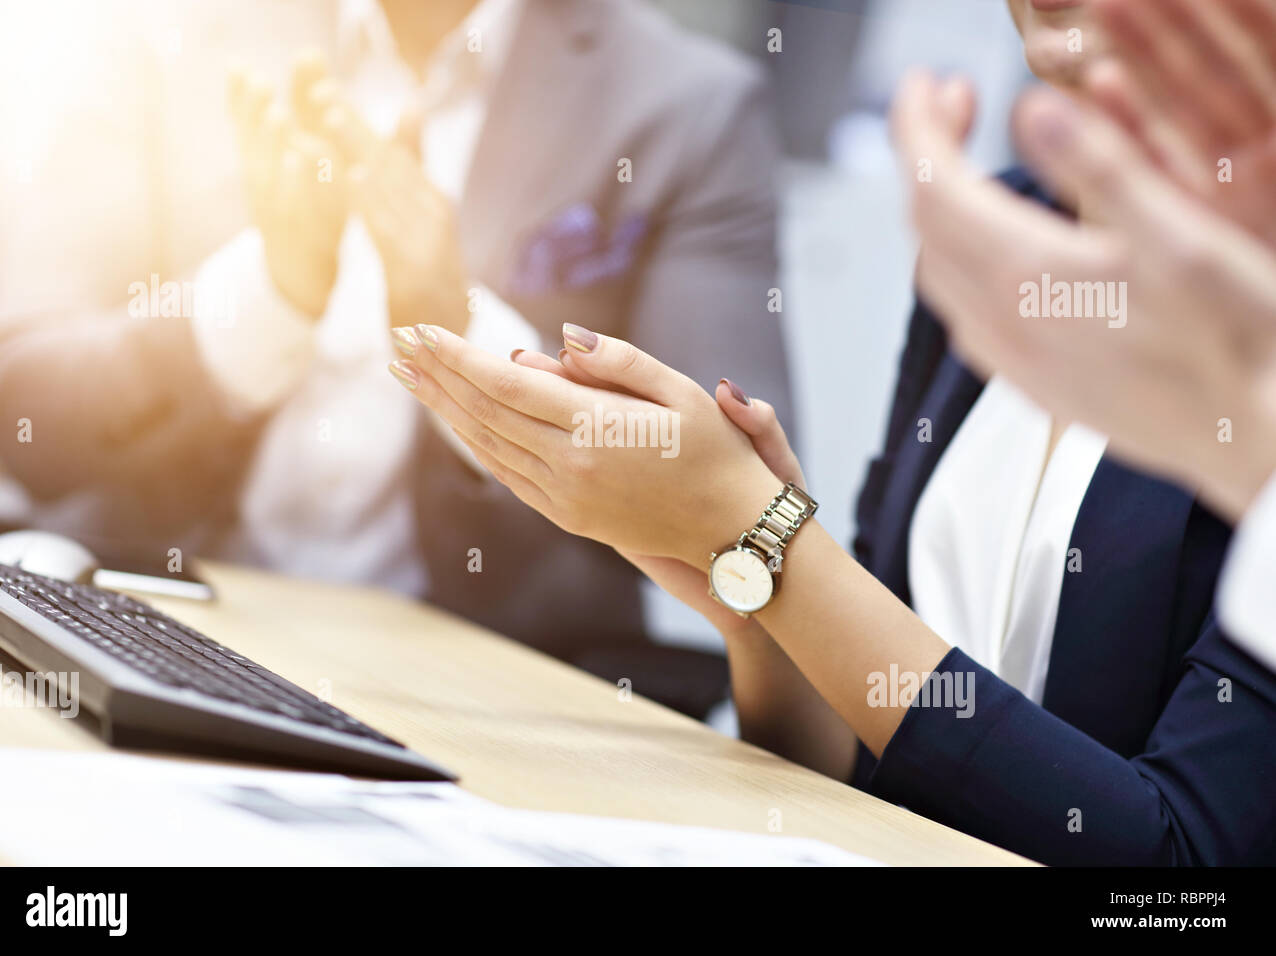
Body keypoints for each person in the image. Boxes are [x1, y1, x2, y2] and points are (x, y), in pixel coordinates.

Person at [385, 0, 1276, 865]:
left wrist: (767, 540)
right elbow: (855, 761)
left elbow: (1181, 865)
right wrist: (750, 593)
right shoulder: (999, 237)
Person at [0, 0, 793, 702]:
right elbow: (26, 411)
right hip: (140, 642)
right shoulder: (156, 36)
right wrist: (270, 295)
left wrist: (461, 331)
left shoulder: (689, 108)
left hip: (491, 709)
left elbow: (738, 493)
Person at [894, 0, 1276, 674]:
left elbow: (1188, 784)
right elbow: (838, 749)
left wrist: (772, 543)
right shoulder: (994, 234)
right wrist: (748, 569)